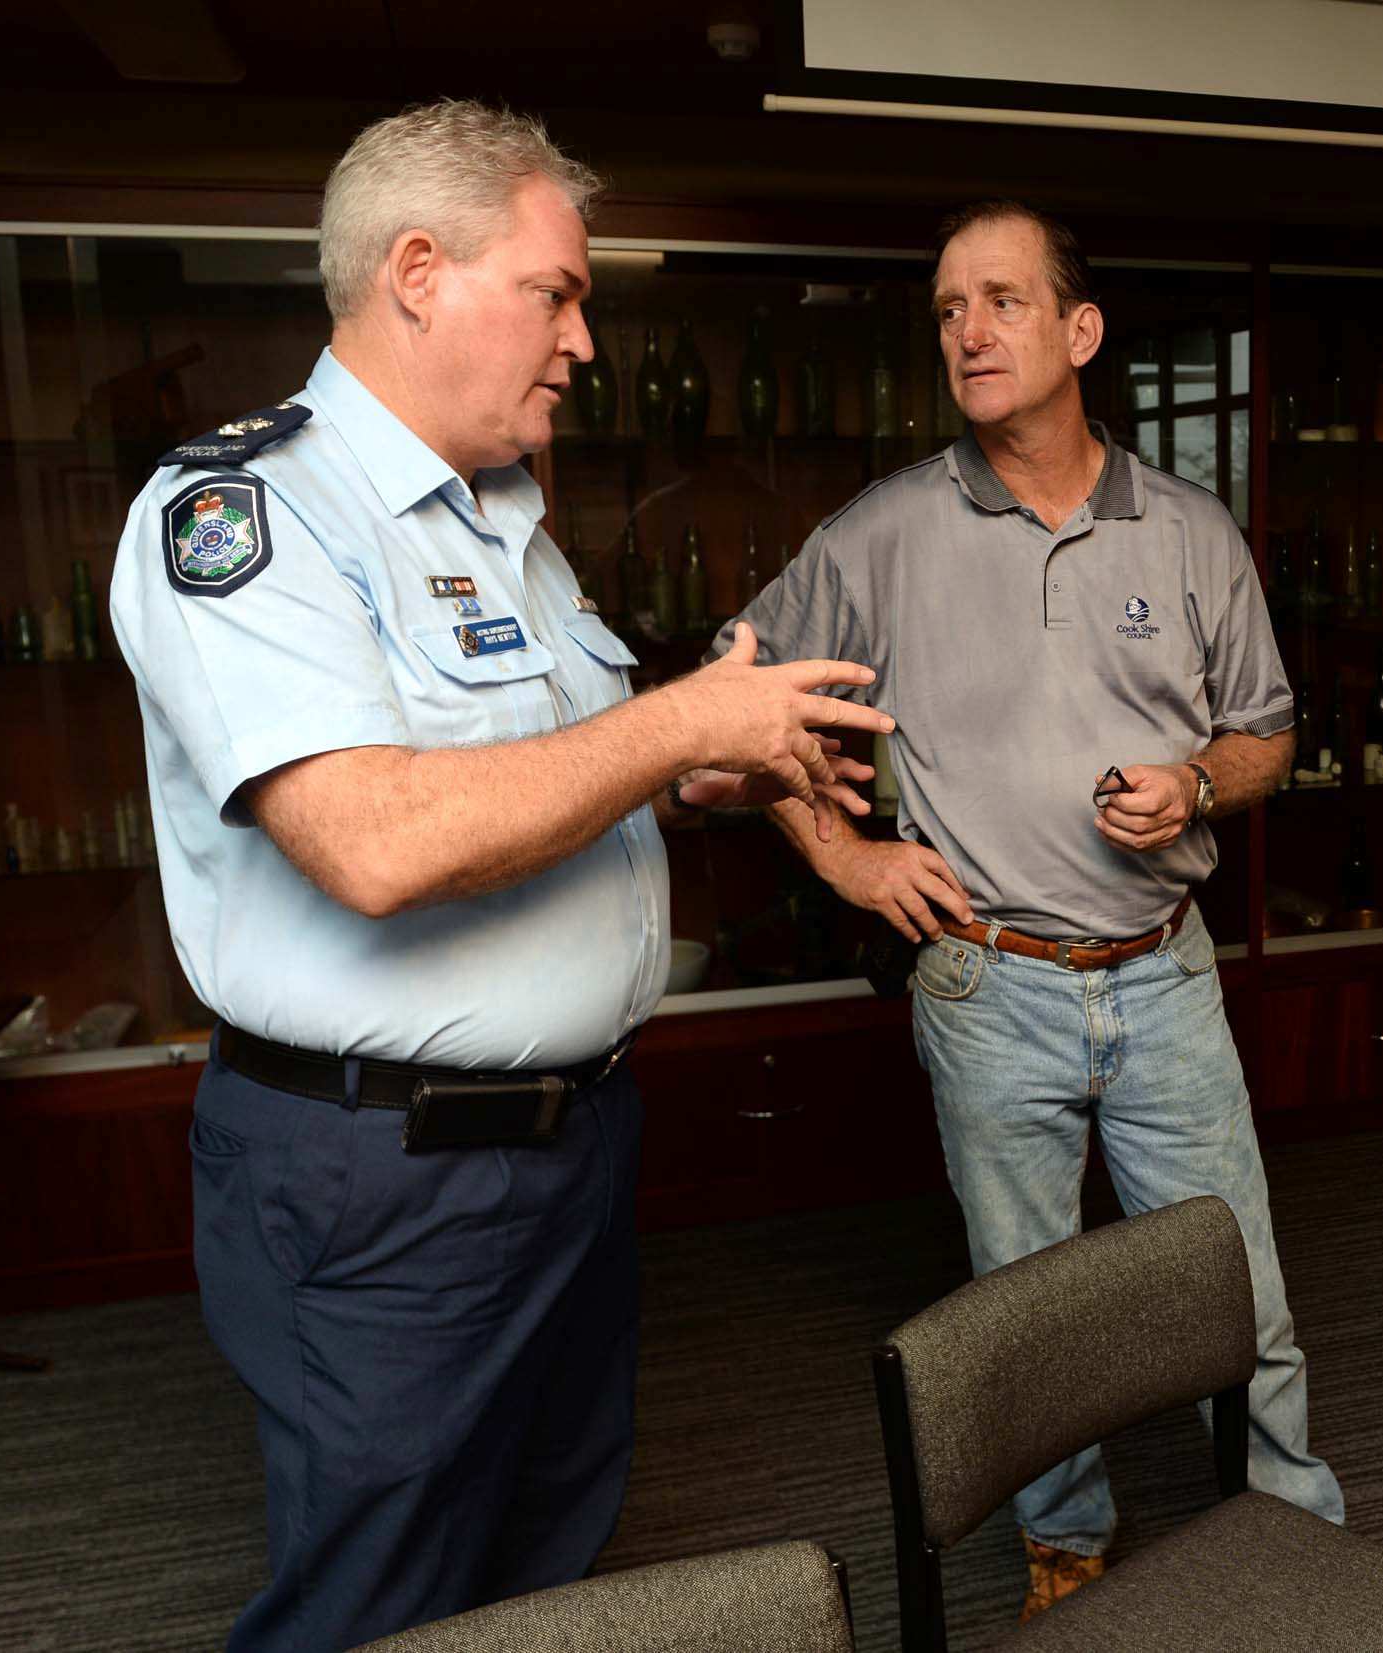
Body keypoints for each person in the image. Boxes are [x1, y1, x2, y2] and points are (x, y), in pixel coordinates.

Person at [108, 101, 888, 1652]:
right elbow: (378, 840)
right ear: (417, 272)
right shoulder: (247, 516)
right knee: (376, 1603)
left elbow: (532, 785)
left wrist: (689, 762)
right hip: (386, 1177)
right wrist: (671, 719)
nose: (584, 339)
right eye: (559, 291)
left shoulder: (507, 522)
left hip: (569, 1147)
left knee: (544, 1572)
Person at [716, 199, 1344, 1617]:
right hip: (988, 985)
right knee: (1028, 1314)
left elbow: (1268, 737)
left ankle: (1297, 1534)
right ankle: (1068, 1550)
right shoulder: (882, 533)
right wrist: (852, 860)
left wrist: (1195, 785)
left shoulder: (1190, 530)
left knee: (1240, 1287)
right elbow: (731, 716)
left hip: (1164, 974)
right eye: (947, 310)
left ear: (1080, 331)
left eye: (1000, 300)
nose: (968, 332)